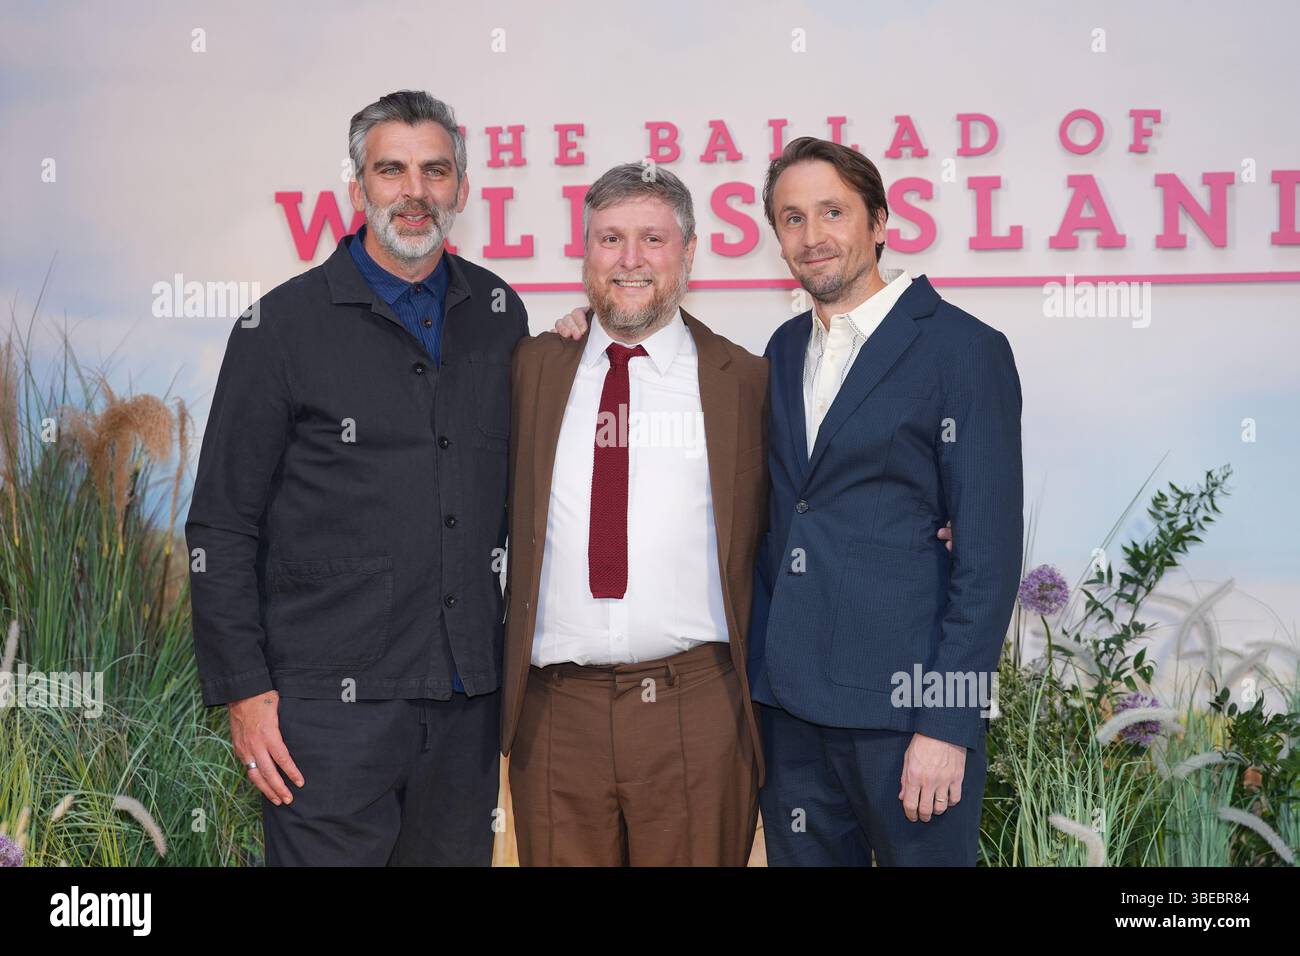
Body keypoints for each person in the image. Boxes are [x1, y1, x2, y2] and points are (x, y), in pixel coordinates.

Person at [186, 90, 527, 865]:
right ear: (357, 187)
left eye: (435, 171)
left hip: (465, 706)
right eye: (392, 170)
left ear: (463, 190)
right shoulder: (278, 329)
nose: (416, 192)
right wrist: (244, 690)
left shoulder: (501, 315)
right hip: (321, 719)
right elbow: (222, 524)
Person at [501, 164, 767, 865]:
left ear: (689, 251)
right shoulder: (529, 369)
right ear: (585, 253)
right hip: (556, 716)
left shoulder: (745, 383)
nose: (630, 260)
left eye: (653, 239)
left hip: (697, 710)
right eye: (609, 239)